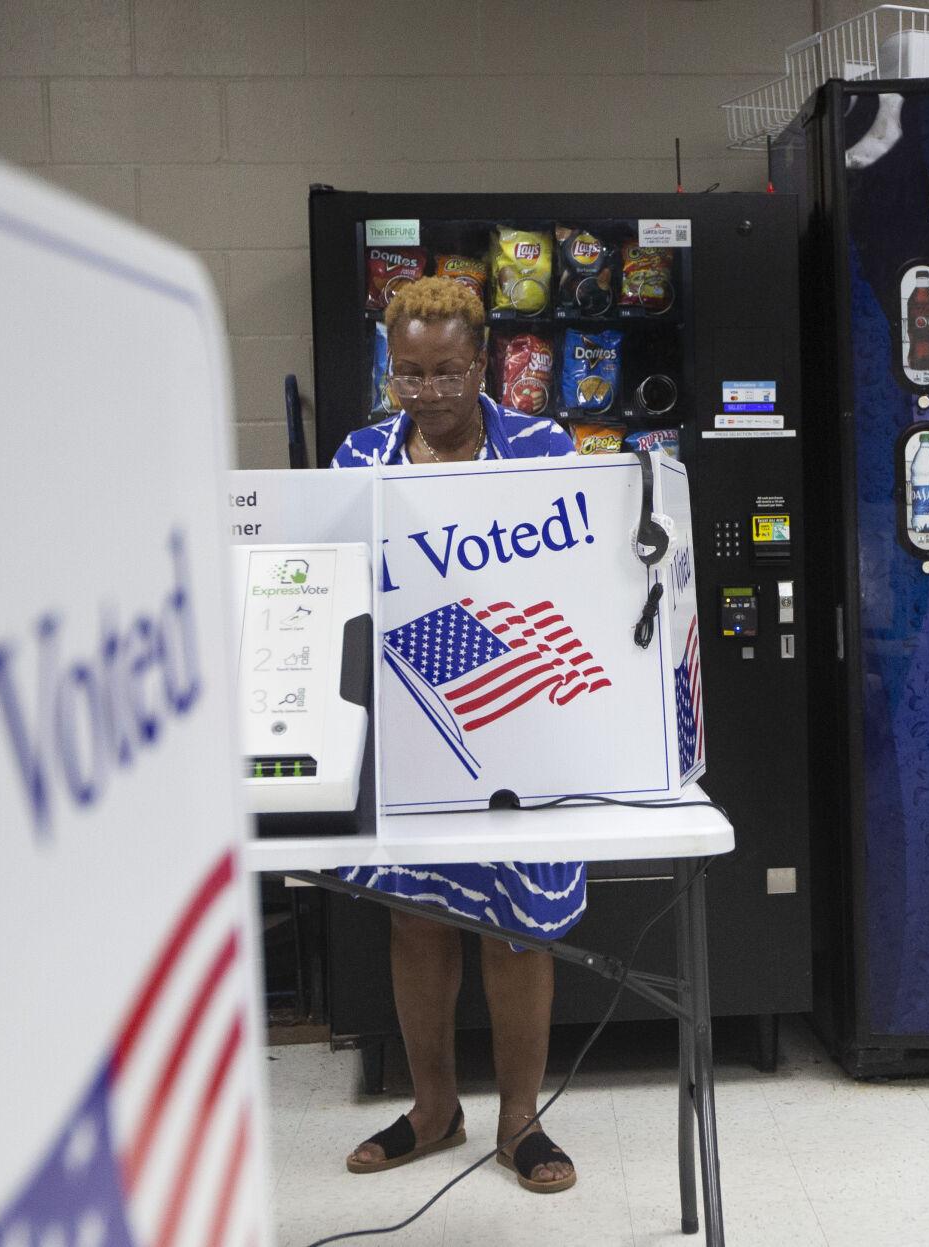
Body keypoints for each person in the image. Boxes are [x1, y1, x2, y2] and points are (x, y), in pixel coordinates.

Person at [330, 276, 581, 1194]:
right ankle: (435, 1108)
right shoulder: (360, 457)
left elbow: (576, 580)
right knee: (420, 919)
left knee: (516, 926)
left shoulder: (542, 447)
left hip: (521, 714)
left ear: (481, 364)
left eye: (446, 371)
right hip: (410, 720)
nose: (428, 391)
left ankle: (521, 1120)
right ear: (390, 370)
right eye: (409, 373)